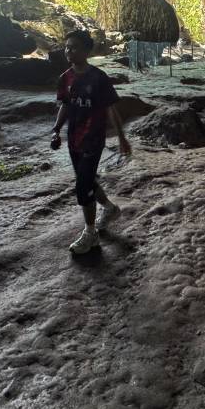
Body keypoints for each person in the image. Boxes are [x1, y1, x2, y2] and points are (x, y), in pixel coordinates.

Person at [51, 30, 131, 254]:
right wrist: (56, 130)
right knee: (85, 179)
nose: (69, 51)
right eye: (67, 47)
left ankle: (90, 233)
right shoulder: (65, 78)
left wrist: (122, 138)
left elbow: (110, 109)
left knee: (83, 185)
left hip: (93, 139)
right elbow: (65, 106)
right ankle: (109, 207)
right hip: (74, 138)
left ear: (87, 51)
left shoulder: (98, 78)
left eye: (74, 47)